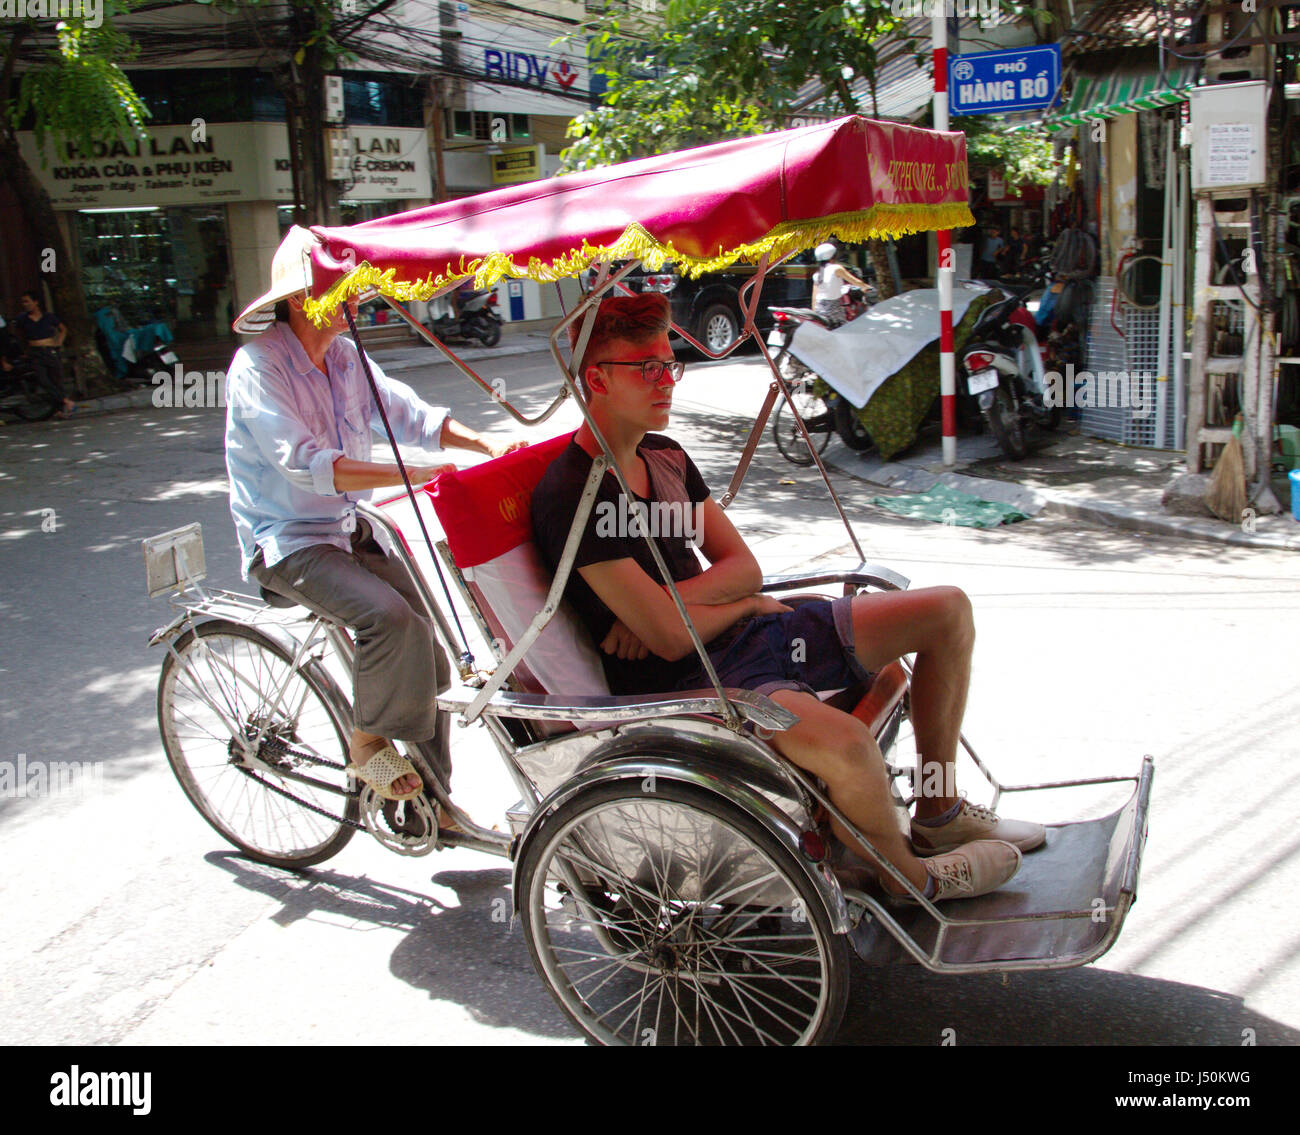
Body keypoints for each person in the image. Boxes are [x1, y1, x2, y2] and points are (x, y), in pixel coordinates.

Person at [531, 293, 1044, 902]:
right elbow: (672, 638)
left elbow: (743, 566)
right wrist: (735, 605)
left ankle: (936, 808)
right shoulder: (573, 494)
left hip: (749, 634)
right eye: (648, 368)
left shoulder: (665, 457)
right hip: (691, 679)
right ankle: (909, 879)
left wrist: (682, 604)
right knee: (850, 747)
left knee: (946, 611)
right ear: (597, 378)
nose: (667, 381)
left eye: (671, 365)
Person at [225, 226, 524, 804]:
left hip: (347, 528)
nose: (353, 299)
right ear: (298, 297)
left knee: (433, 658)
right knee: (391, 622)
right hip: (286, 541)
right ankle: (366, 744)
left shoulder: (345, 357)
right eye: (339, 288)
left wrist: (487, 446)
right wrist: (414, 475)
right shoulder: (258, 366)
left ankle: (430, 802)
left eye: (354, 288)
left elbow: (415, 418)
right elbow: (307, 464)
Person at [14, 290, 75, 417]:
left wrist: (59, 341)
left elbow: (63, 329)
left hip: (49, 350)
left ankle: (60, 409)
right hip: (35, 352)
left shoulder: (48, 317)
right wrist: (25, 350)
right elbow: (19, 336)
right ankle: (65, 401)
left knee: (56, 380)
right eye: (23, 302)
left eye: (27, 301)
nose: (25, 304)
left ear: (35, 302)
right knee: (43, 380)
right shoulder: (22, 319)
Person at [810, 242, 869, 327]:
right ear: (833, 256)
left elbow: (814, 296)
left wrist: (814, 312)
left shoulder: (817, 274)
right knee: (843, 330)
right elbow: (855, 282)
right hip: (834, 307)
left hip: (819, 308)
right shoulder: (836, 268)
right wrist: (866, 287)